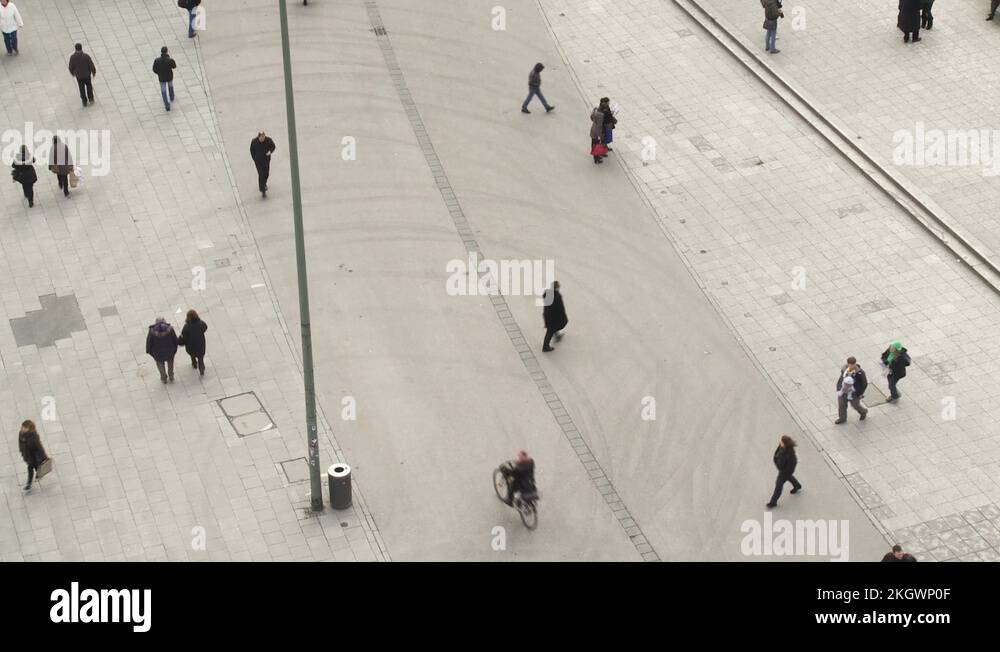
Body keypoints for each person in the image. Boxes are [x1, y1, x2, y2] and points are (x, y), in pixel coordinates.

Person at [766, 435, 801, 508]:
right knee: (789, 477)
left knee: (778, 486)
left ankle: (773, 502)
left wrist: (784, 472)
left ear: (785, 444)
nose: (780, 442)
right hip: (784, 471)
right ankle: (797, 485)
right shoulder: (782, 447)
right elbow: (777, 454)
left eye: (781, 441)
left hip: (784, 472)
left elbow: (791, 465)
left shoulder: (790, 455)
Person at [834, 356, 868, 424]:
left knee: (855, 405)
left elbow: (864, 384)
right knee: (841, 404)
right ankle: (842, 418)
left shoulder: (860, 373)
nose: (851, 366)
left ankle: (863, 412)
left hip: (853, 392)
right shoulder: (845, 369)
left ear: (855, 364)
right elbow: (841, 378)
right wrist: (839, 387)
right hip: (843, 390)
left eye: (852, 364)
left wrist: (859, 393)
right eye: (849, 364)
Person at [146, 317, 179, 383]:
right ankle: (171, 376)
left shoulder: (152, 331)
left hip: (157, 353)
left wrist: (149, 351)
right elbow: (175, 340)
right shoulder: (170, 329)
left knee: (160, 364)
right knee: (170, 363)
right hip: (169, 351)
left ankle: (163, 377)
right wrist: (174, 350)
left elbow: (149, 342)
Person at [18, 420, 48, 492]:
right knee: (33, 467)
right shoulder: (21, 434)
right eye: (22, 427)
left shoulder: (34, 437)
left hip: (34, 456)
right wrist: (21, 450)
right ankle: (35, 477)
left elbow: (39, 447)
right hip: (27, 455)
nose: (23, 428)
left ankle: (30, 482)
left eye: (25, 427)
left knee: (31, 468)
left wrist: (44, 457)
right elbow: (20, 443)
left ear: (30, 428)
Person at [179, 309, 208, 376]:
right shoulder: (201, 323)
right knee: (200, 357)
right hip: (200, 344)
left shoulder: (187, 326)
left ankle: (194, 363)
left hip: (190, 346)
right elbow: (205, 327)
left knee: (192, 355)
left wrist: (180, 341)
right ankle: (201, 368)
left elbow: (183, 336)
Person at [542, 281, 568, 352]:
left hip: (547, 315)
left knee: (552, 328)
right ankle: (545, 347)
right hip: (553, 317)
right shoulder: (557, 296)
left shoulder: (548, 293)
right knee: (551, 330)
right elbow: (560, 308)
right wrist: (563, 316)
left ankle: (557, 336)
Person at [250, 132, 276, 198]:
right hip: (258, 162)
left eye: (263, 137)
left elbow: (273, 146)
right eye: (261, 137)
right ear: (258, 137)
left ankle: (264, 184)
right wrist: (254, 158)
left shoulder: (268, 140)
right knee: (261, 174)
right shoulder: (254, 141)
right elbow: (252, 150)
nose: (262, 138)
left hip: (266, 160)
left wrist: (270, 152)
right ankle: (262, 189)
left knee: (266, 174)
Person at [153, 46, 177, 111]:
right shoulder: (170, 60)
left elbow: (154, 69)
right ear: (167, 51)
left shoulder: (157, 60)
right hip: (169, 76)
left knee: (163, 91)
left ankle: (167, 105)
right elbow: (174, 66)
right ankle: (171, 97)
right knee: (170, 86)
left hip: (161, 78)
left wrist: (159, 73)